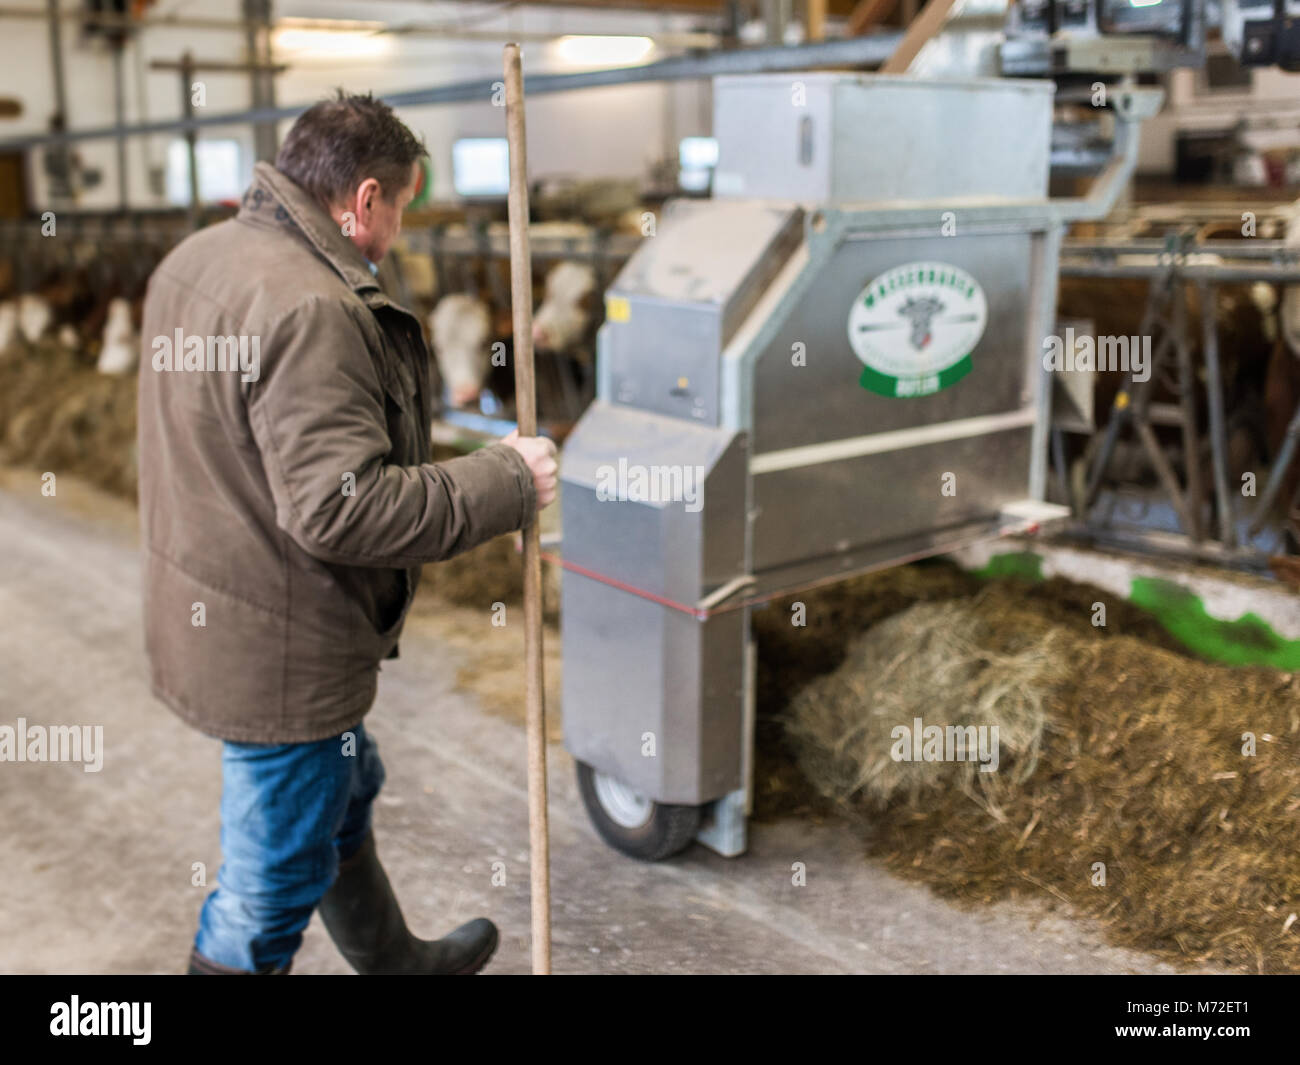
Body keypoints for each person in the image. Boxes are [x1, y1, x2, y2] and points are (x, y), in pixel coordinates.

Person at [137, 91, 557, 975]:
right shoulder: (314, 309)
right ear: (364, 199)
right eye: (402, 207)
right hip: (280, 642)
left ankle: (395, 961)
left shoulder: (196, 261)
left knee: (346, 786)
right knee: (269, 884)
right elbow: (342, 506)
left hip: (220, 601)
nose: (400, 229)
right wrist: (507, 480)